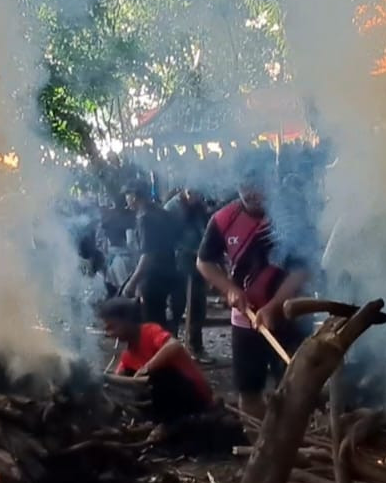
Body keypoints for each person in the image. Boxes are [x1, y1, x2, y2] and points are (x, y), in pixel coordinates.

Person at [196, 176, 309, 420]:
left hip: (290, 316)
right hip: (245, 320)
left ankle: (295, 443)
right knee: (248, 392)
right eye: (244, 185)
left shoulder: (290, 217)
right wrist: (229, 288)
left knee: (294, 387)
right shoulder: (223, 219)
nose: (250, 192)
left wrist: (273, 306)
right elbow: (203, 261)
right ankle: (258, 445)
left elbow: (303, 269)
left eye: (257, 183)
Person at [99, 297, 213, 424]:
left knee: (158, 375)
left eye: (112, 327)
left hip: (196, 396)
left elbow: (174, 346)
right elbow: (118, 379)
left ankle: (168, 423)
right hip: (176, 404)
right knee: (129, 387)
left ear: (128, 320)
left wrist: (146, 369)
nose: (109, 333)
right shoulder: (128, 355)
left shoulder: (150, 331)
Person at [122, 181, 181, 329]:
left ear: (135, 196)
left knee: (152, 323)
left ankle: (158, 350)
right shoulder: (161, 212)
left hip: (152, 280)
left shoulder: (145, 218)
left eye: (127, 195)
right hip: (169, 273)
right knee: (161, 321)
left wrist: (132, 282)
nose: (126, 200)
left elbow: (148, 256)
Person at [165, 188, 212, 355]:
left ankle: (195, 347)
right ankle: (169, 346)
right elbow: (166, 238)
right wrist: (184, 251)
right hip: (178, 264)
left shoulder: (200, 206)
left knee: (198, 305)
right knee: (176, 305)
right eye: (195, 193)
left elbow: (206, 231)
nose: (198, 197)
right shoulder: (172, 209)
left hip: (198, 261)